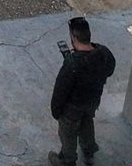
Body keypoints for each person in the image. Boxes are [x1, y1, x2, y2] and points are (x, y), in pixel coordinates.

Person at [50, 16, 117, 166]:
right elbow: (110, 70)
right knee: (87, 123)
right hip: (92, 102)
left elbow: (61, 90)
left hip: (72, 109)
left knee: (68, 134)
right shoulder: (104, 53)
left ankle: (67, 160)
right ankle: (89, 149)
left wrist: (56, 111)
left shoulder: (72, 64)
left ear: (73, 38)